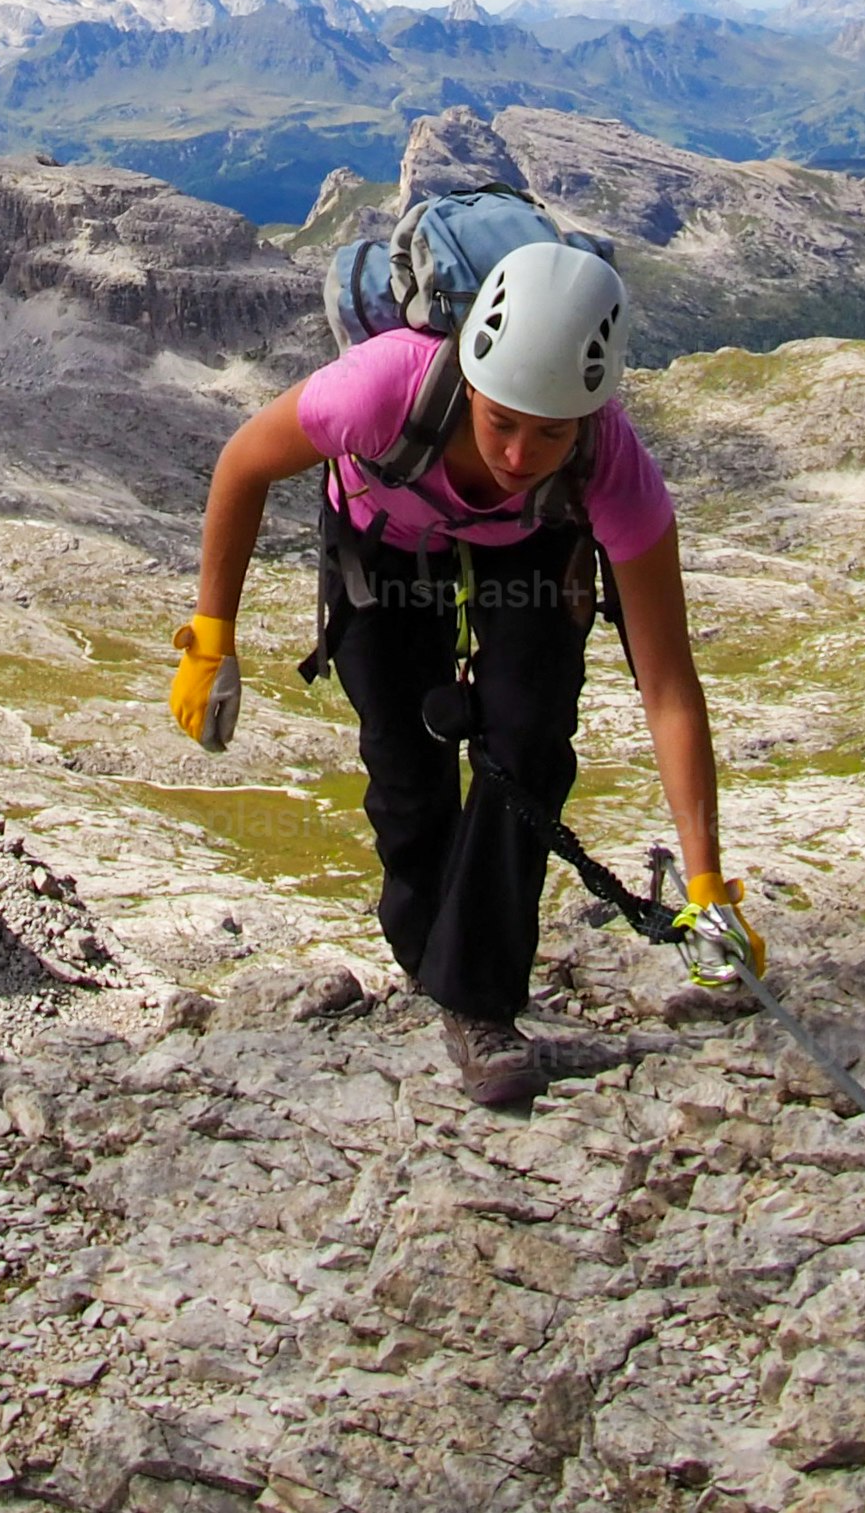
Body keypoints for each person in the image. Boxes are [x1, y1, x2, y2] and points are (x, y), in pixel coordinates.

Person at [164, 239, 764, 1107]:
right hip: (384, 542)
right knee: (406, 769)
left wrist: (707, 883)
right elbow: (245, 462)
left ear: (590, 416)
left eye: (550, 431)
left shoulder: (611, 462)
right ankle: (430, 960)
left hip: (535, 548)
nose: (521, 454)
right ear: (470, 382)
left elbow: (669, 683)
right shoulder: (382, 388)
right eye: (501, 422)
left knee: (529, 737)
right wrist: (211, 637)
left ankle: (478, 1004)